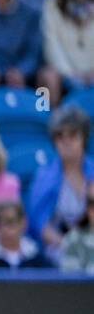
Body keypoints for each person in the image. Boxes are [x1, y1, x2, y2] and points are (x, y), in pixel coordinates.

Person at [27, 103, 94, 254]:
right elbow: (39, 223)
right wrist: (66, 245)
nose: (66, 141)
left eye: (72, 135)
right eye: (59, 136)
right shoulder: (44, 176)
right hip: (57, 248)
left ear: (84, 138)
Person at [0, 201, 55, 268]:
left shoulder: (37, 257)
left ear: (23, 223)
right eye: (5, 223)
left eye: (12, 222)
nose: (8, 229)